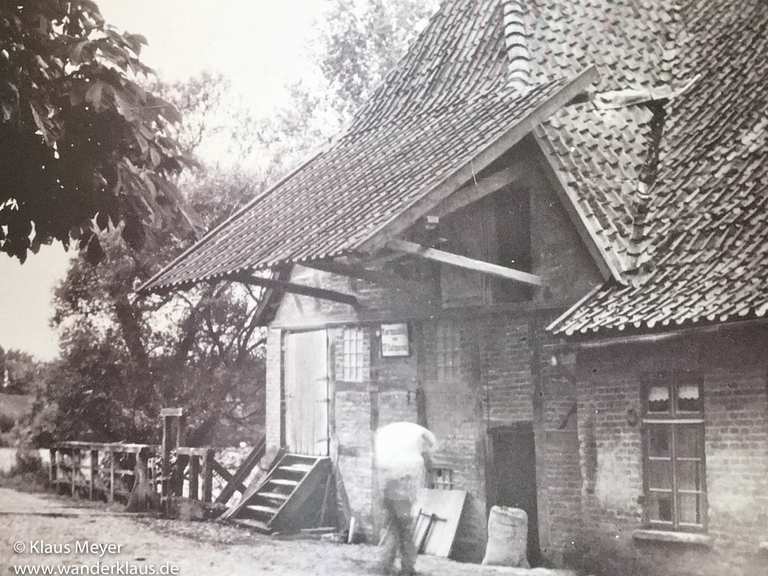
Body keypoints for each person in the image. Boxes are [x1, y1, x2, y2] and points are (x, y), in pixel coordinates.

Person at [374, 421, 437, 576]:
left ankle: (386, 566)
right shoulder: (407, 466)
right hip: (400, 501)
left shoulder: (392, 462)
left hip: (390, 498)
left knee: (393, 532)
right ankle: (406, 568)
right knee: (404, 534)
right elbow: (425, 465)